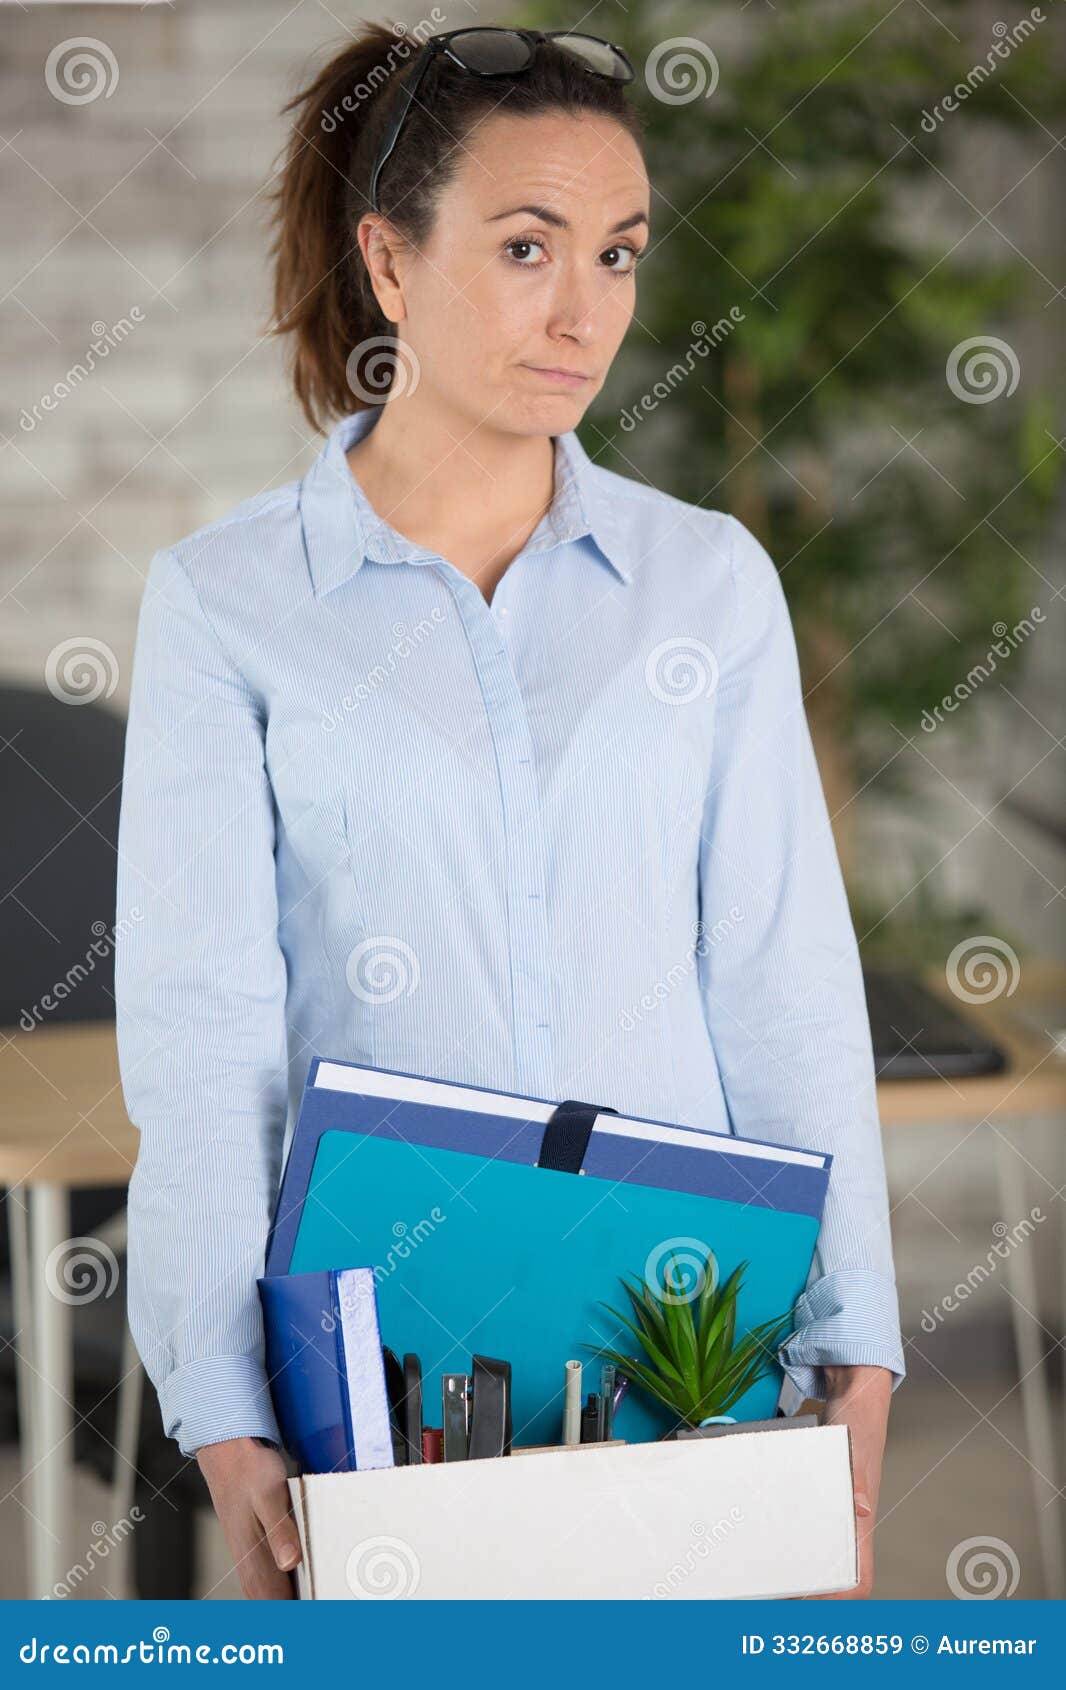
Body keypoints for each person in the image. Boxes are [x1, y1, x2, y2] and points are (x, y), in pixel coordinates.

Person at [115, 22, 904, 1601]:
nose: (584, 309)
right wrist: (221, 1410)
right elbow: (204, 1040)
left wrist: (857, 1347)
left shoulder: (706, 586)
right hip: (380, 1373)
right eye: (526, 246)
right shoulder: (228, 603)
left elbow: (783, 985)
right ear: (387, 262)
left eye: (615, 253)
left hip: (686, 1348)